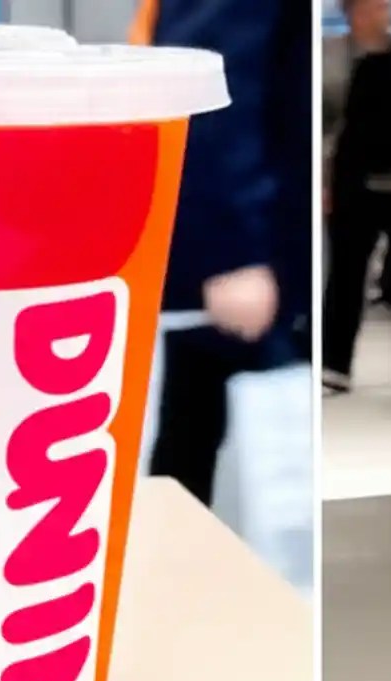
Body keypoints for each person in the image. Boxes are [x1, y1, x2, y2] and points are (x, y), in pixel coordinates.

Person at [132, 0, 311, 505]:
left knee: (208, 438)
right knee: (199, 445)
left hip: (260, 241)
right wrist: (232, 251)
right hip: (241, 255)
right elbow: (207, 84)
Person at [321, 0, 391, 396]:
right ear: (352, 12)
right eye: (373, 6)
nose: (382, 14)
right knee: (345, 274)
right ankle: (334, 364)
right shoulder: (328, 54)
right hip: (350, 178)